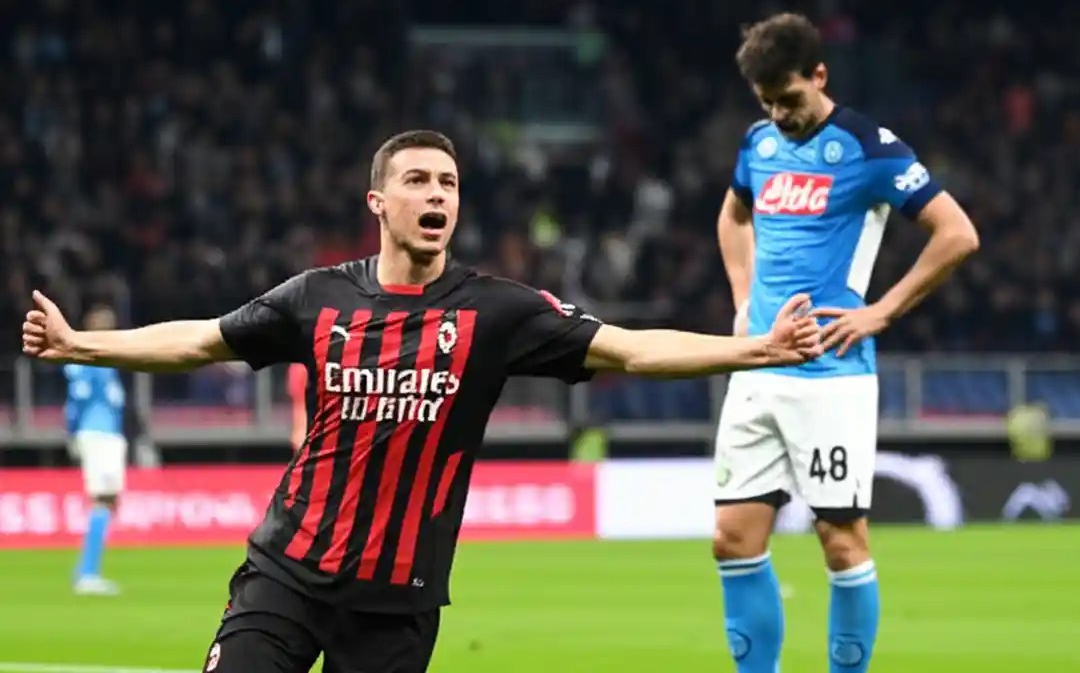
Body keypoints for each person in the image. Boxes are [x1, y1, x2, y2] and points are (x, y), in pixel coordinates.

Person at [21, 129, 823, 673]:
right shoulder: (315, 297)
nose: (436, 193)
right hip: (287, 572)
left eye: (448, 182)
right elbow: (202, 340)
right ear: (380, 203)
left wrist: (757, 349)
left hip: (399, 602)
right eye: (417, 180)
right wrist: (79, 344)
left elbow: (633, 347)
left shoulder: (499, 312)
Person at [713, 13, 979, 673]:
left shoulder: (871, 148)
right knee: (732, 539)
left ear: (820, 76)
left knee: (839, 542)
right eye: (767, 101)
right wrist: (744, 300)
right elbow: (732, 215)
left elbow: (957, 233)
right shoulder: (758, 144)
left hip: (832, 377)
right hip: (758, 367)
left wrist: (881, 311)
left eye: (790, 99)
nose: (779, 114)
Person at [63, 304, 128, 596]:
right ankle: (88, 574)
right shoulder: (90, 360)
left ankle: (86, 570)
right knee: (103, 500)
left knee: (108, 501)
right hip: (99, 434)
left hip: (105, 433)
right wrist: (74, 432)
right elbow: (77, 400)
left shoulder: (100, 360)